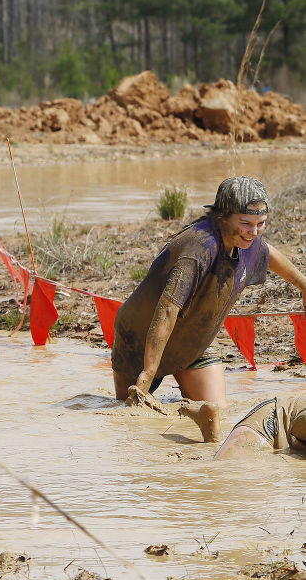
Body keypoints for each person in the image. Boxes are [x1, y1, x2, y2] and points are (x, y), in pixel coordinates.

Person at [112, 176, 306, 442]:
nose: (255, 232)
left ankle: (194, 413)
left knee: (219, 412)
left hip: (194, 341)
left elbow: (266, 252)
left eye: (261, 224)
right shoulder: (199, 247)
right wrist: (146, 373)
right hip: (140, 341)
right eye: (246, 224)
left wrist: (302, 284)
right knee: (130, 418)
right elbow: (167, 309)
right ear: (223, 217)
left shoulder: (250, 242)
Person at [207, 395, 306, 459]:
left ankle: (214, 435)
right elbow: (299, 424)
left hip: (288, 438)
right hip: (271, 421)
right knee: (222, 472)